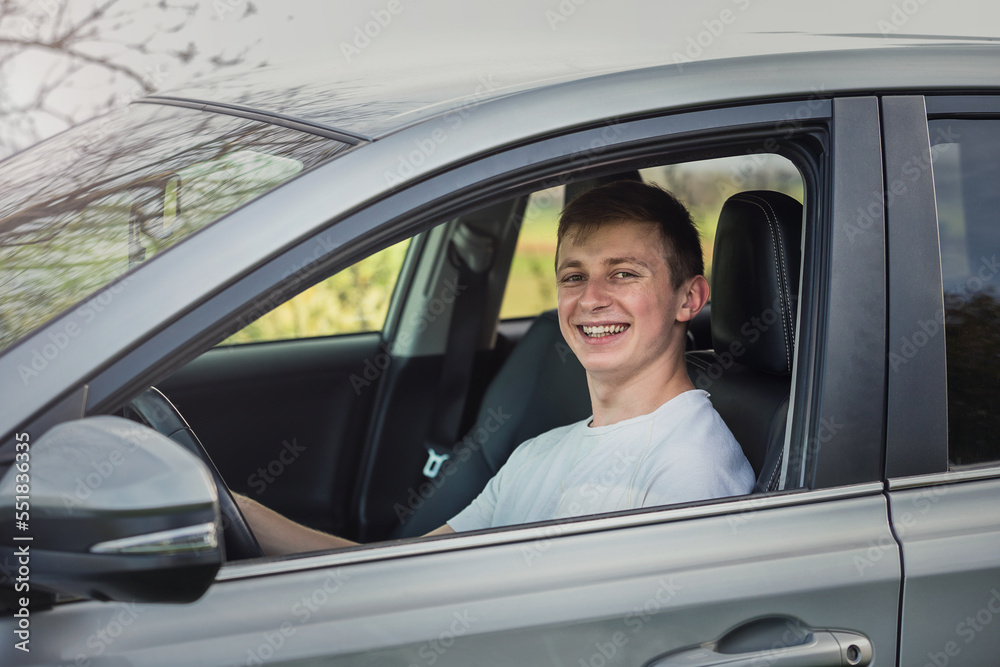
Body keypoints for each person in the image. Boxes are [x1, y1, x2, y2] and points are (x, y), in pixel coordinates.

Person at [235, 180, 754, 555]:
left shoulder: (690, 471)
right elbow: (397, 577)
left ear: (690, 298)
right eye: (573, 277)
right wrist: (236, 512)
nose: (591, 299)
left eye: (622, 274)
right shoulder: (537, 453)